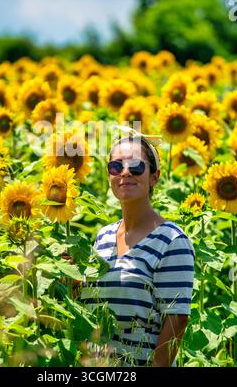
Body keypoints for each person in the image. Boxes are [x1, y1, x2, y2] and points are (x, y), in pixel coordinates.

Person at [80, 130, 195, 367]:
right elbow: (94, 307)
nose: (125, 172)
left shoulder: (172, 240)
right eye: (116, 166)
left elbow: (176, 320)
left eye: (136, 166)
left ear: (154, 176)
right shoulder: (103, 236)